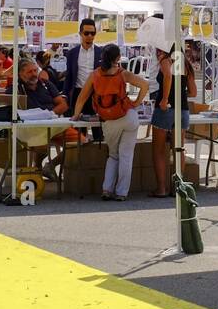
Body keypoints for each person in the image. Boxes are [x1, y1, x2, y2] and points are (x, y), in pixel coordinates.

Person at [74, 44, 148, 202]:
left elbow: (82, 98)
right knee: (126, 156)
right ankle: (121, 193)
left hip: (108, 120)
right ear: (118, 58)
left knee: (113, 155)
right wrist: (136, 102)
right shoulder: (123, 74)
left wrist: (75, 115)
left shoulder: (95, 75)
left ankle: (107, 189)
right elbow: (145, 85)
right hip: (128, 116)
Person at [150, 45, 197, 198]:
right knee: (179, 149)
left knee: (159, 150)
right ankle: (178, 188)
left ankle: (161, 188)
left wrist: (164, 98)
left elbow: (168, 76)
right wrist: (180, 92)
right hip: (182, 109)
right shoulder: (185, 63)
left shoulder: (165, 59)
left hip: (165, 108)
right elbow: (194, 91)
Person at [15, 58, 70, 181]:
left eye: (35, 70)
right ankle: (38, 167)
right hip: (32, 129)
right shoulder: (16, 89)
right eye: (30, 72)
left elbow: (63, 105)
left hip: (55, 125)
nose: (34, 74)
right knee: (41, 144)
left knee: (81, 143)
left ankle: (51, 165)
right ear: (20, 73)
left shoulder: (45, 84)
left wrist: (49, 114)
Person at [64, 18, 102, 141]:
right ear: (80, 33)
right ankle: (79, 157)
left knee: (98, 130)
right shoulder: (72, 53)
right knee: (78, 133)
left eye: (92, 33)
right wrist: (65, 96)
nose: (90, 36)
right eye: (86, 33)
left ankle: (99, 156)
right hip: (78, 93)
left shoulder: (101, 53)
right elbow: (69, 76)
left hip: (96, 95)